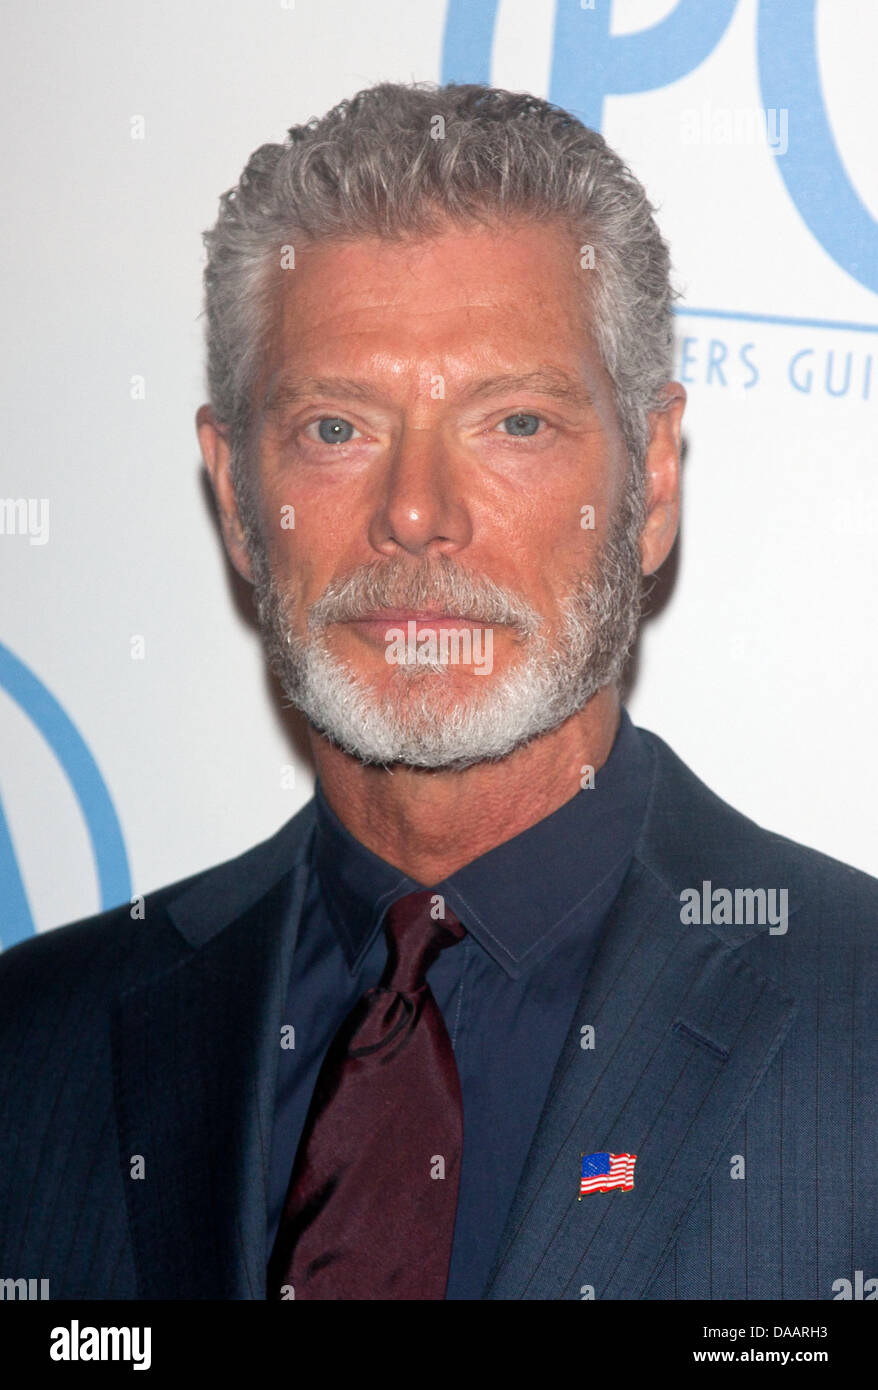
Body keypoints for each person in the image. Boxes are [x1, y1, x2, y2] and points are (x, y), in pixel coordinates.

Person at [1, 81, 875, 1303]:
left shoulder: (857, 1023)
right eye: (333, 429)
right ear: (236, 496)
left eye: (512, 421)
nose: (416, 512)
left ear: (652, 481)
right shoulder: (33, 1051)